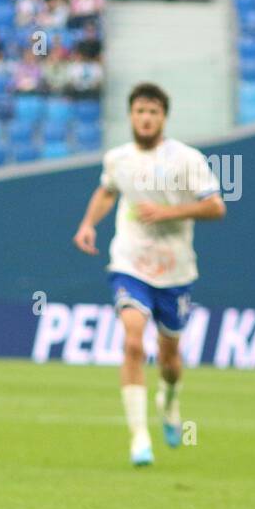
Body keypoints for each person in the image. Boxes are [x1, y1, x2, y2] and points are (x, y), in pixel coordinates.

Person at [72, 83, 226, 467]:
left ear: (164, 118)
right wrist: (89, 223)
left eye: (153, 112)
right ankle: (139, 437)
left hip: (175, 270)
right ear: (130, 115)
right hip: (129, 263)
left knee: (170, 359)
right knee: (133, 342)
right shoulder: (118, 159)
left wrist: (168, 213)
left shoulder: (186, 159)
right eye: (140, 111)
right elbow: (108, 191)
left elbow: (215, 207)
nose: (146, 118)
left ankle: (169, 404)